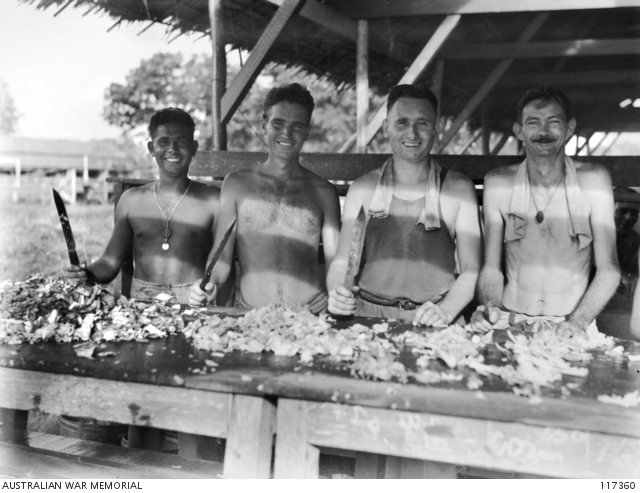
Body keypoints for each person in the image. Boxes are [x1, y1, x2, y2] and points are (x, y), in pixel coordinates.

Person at [63, 107, 234, 456]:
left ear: (195, 147)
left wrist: (208, 286)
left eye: (182, 142)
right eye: (164, 141)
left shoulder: (212, 200)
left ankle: (195, 470)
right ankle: (139, 469)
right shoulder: (132, 200)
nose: (173, 149)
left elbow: (221, 262)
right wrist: (88, 274)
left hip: (192, 308)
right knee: (143, 405)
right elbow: (112, 261)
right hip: (140, 312)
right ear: (149, 147)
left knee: (191, 401)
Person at [326, 84, 482, 326]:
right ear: (386, 127)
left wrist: (447, 311)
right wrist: (337, 293)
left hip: (435, 316)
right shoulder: (363, 189)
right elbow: (342, 262)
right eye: (402, 123)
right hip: (368, 316)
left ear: (435, 130)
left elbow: (472, 268)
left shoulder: (458, 189)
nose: (412, 133)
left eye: (422, 123)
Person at [471, 87, 620, 337]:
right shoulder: (498, 183)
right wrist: (488, 308)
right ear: (519, 131)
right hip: (509, 319)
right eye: (533, 122)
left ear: (569, 128)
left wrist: (578, 322)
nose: (543, 131)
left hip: (569, 324)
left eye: (553, 121)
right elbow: (491, 269)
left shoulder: (594, 181)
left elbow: (610, 269)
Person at [188, 83, 341, 313]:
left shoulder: (324, 192)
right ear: (263, 125)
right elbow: (222, 255)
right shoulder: (236, 185)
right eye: (278, 123)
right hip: (253, 314)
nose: (286, 133)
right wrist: (210, 285)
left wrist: (340, 297)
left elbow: (335, 264)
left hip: (312, 313)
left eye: (297, 126)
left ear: (308, 131)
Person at [614, 188, 640, 280]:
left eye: (634, 213)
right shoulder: (588, 238)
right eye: (622, 211)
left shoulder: (635, 240)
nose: (629, 217)